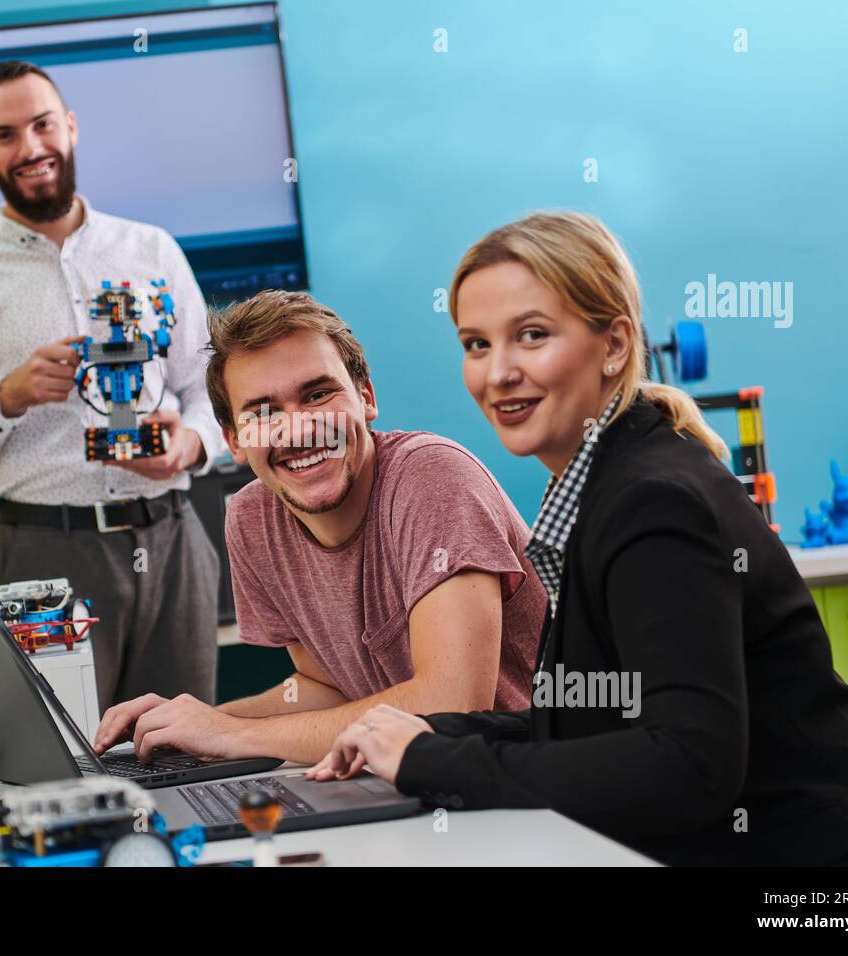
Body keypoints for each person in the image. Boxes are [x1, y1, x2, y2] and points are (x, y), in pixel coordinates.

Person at [310, 211, 848, 865]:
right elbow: (596, 721)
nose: (497, 373)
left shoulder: (653, 502)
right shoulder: (602, 486)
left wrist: (434, 761)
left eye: (531, 335)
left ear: (614, 345)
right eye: (476, 344)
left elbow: (687, 762)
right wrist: (429, 734)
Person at [92, 290, 547, 764]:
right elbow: (329, 688)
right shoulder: (251, 519)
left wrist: (232, 735)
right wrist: (191, 725)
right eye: (263, 412)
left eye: (317, 395)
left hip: (533, 788)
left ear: (365, 397)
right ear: (235, 442)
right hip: (416, 786)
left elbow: (451, 709)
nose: (299, 429)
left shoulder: (434, 478)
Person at [0, 61, 223, 713]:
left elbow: (214, 398)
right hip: (46, 554)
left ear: (70, 127)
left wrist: (189, 446)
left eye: (43, 125)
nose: (31, 148)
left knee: (190, 754)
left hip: (175, 544)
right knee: (68, 759)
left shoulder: (152, 250)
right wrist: (7, 398)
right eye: (4, 135)